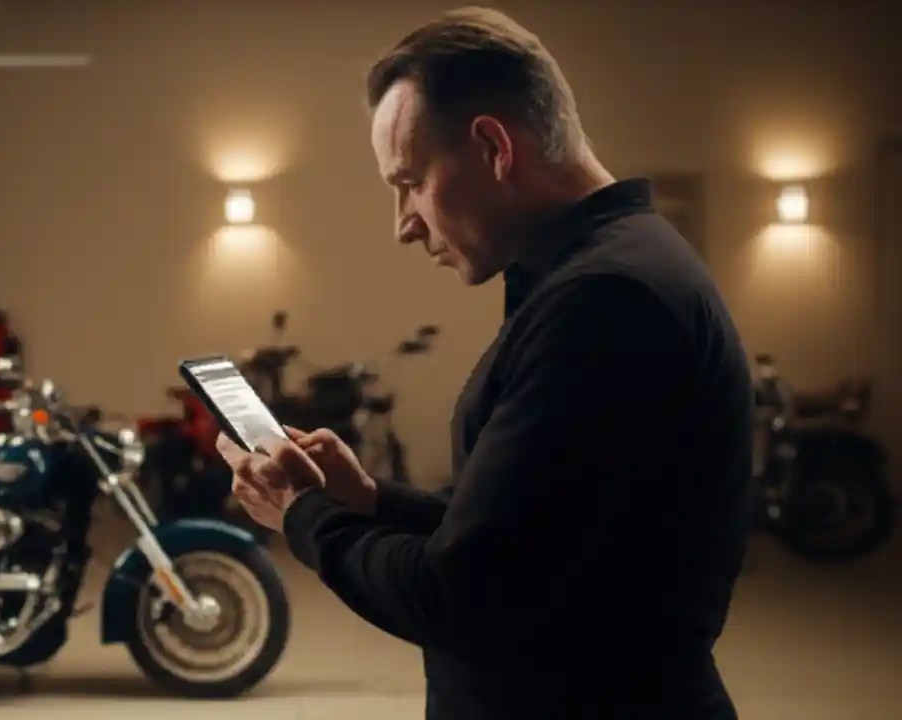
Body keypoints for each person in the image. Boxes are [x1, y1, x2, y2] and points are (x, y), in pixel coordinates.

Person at [216, 7, 754, 720]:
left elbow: (461, 595)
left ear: (494, 147)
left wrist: (302, 514)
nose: (403, 223)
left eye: (408, 181)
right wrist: (369, 501)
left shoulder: (605, 299)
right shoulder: (615, 270)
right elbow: (531, 535)